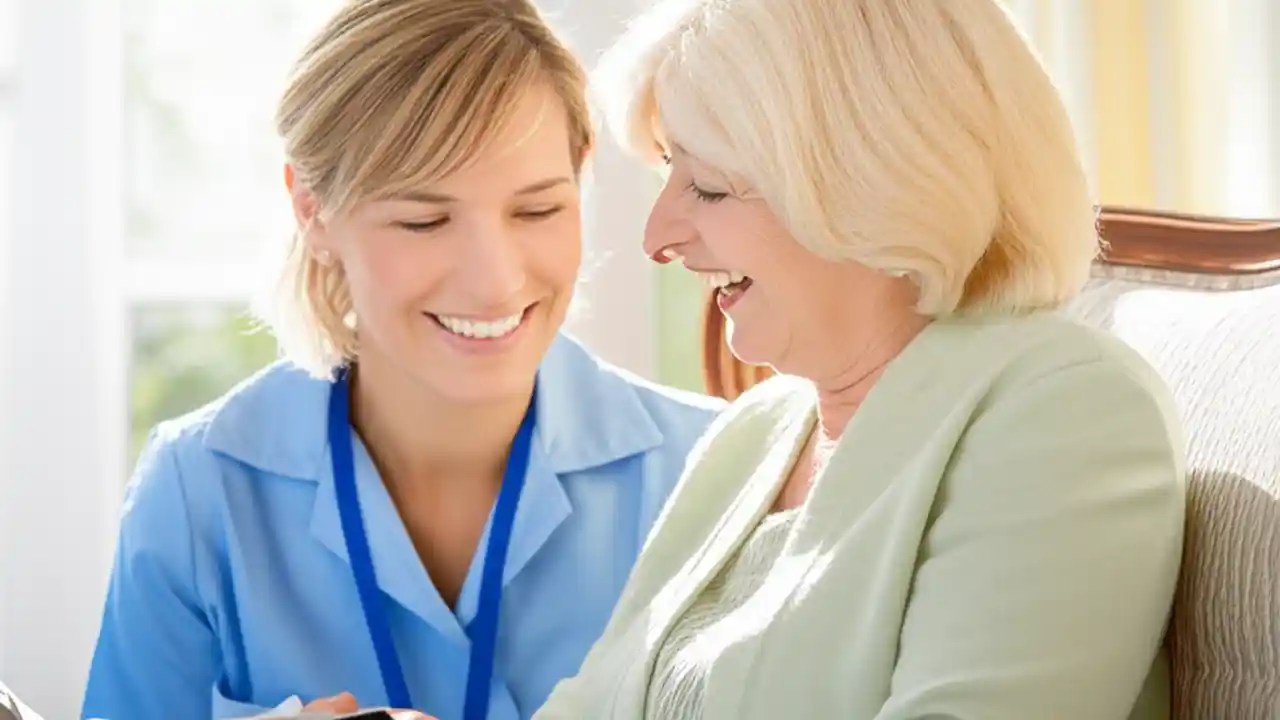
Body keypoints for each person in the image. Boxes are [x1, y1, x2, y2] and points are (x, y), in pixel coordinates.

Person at [533, 0, 1186, 718]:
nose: (657, 238)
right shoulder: (753, 434)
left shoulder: (1066, 412)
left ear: (875, 188)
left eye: (709, 187)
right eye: (668, 170)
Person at [81, 1, 723, 719]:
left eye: (536, 210)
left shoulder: (719, 472)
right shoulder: (198, 492)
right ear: (313, 210)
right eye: (425, 220)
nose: (494, 282)